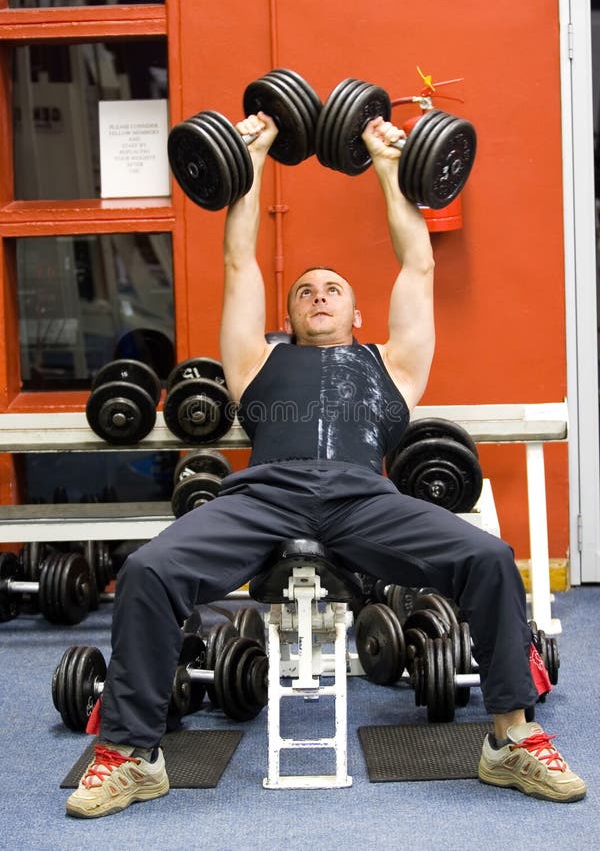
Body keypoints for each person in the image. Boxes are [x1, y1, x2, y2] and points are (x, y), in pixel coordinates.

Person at [65, 112, 586, 818]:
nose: (318, 295)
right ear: (288, 316)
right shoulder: (256, 363)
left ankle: (511, 739)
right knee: (149, 570)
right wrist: (250, 165)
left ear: (356, 314)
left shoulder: (393, 366)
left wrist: (385, 167)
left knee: (490, 556)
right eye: (305, 291)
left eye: (332, 289)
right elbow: (237, 263)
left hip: (361, 499)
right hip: (264, 496)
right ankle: (132, 755)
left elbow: (420, 264)